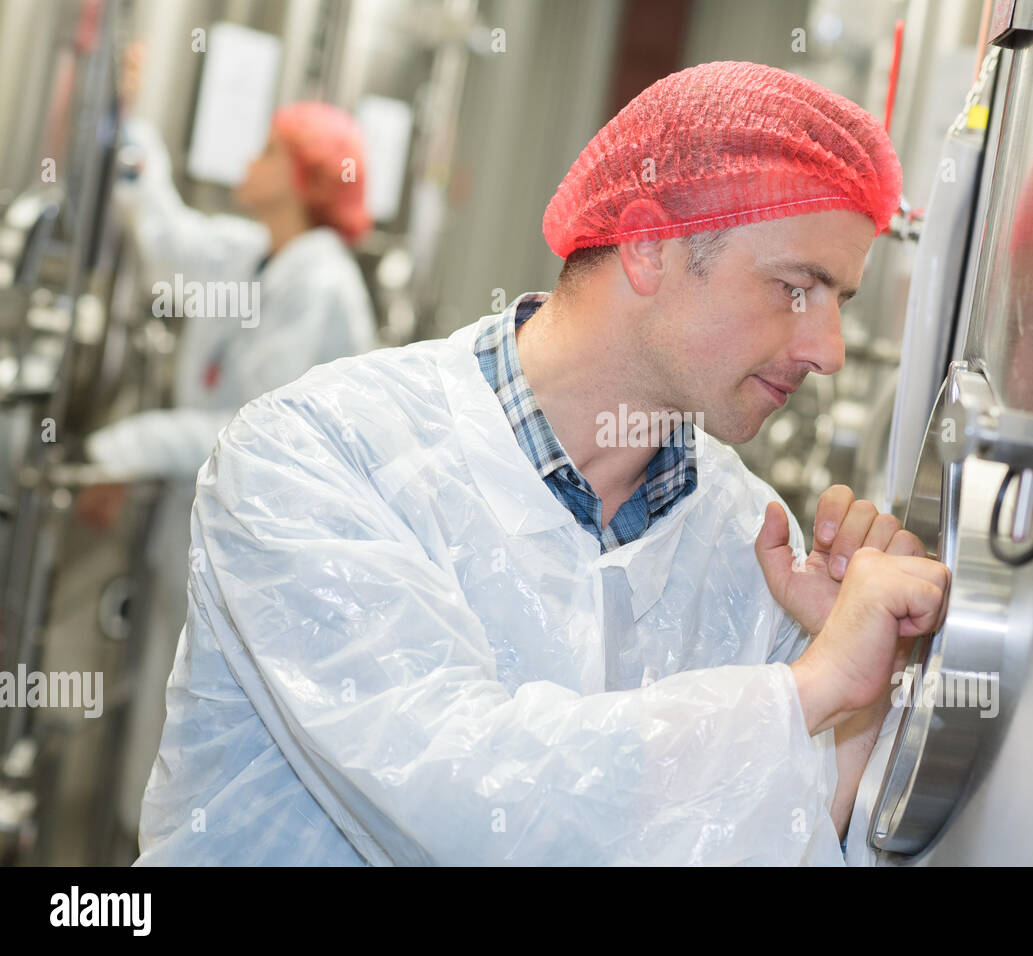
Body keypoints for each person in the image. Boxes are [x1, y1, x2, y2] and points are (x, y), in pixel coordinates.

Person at [135, 60, 949, 866]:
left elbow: (768, 843)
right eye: (796, 288)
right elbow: (473, 804)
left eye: (839, 303)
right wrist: (810, 689)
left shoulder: (749, 541)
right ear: (647, 244)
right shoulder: (320, 454)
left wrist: (860, 695)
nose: (829, 351)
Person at [78, 65, 378, 845]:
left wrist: (121, 447)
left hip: (263, 566)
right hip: (202, 542)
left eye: (270, 151)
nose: (251, 161)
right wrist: (130, 111)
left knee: (202, 745)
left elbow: (249, 429)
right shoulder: (258, 253)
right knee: (165, 724)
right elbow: (164, 236)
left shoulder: (319, 284)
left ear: (304, 179)